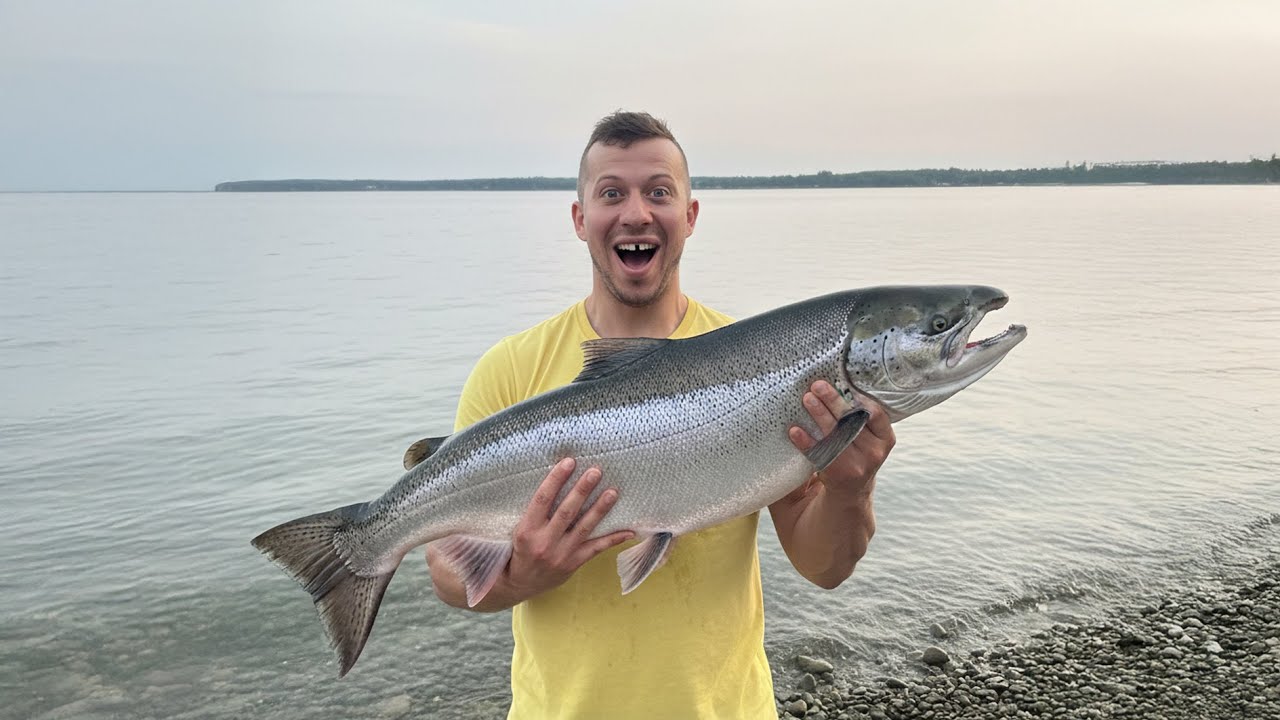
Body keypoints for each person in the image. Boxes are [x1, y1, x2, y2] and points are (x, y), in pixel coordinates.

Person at [425, 111, 896, 719]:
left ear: (690, 216)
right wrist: (523, 575)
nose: (636, 213)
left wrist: (850, 489)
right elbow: (448, 575)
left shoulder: (766, 361)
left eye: (659, 192)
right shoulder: (508, 371)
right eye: (611, 193)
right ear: (580, 219)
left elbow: (823, 567)